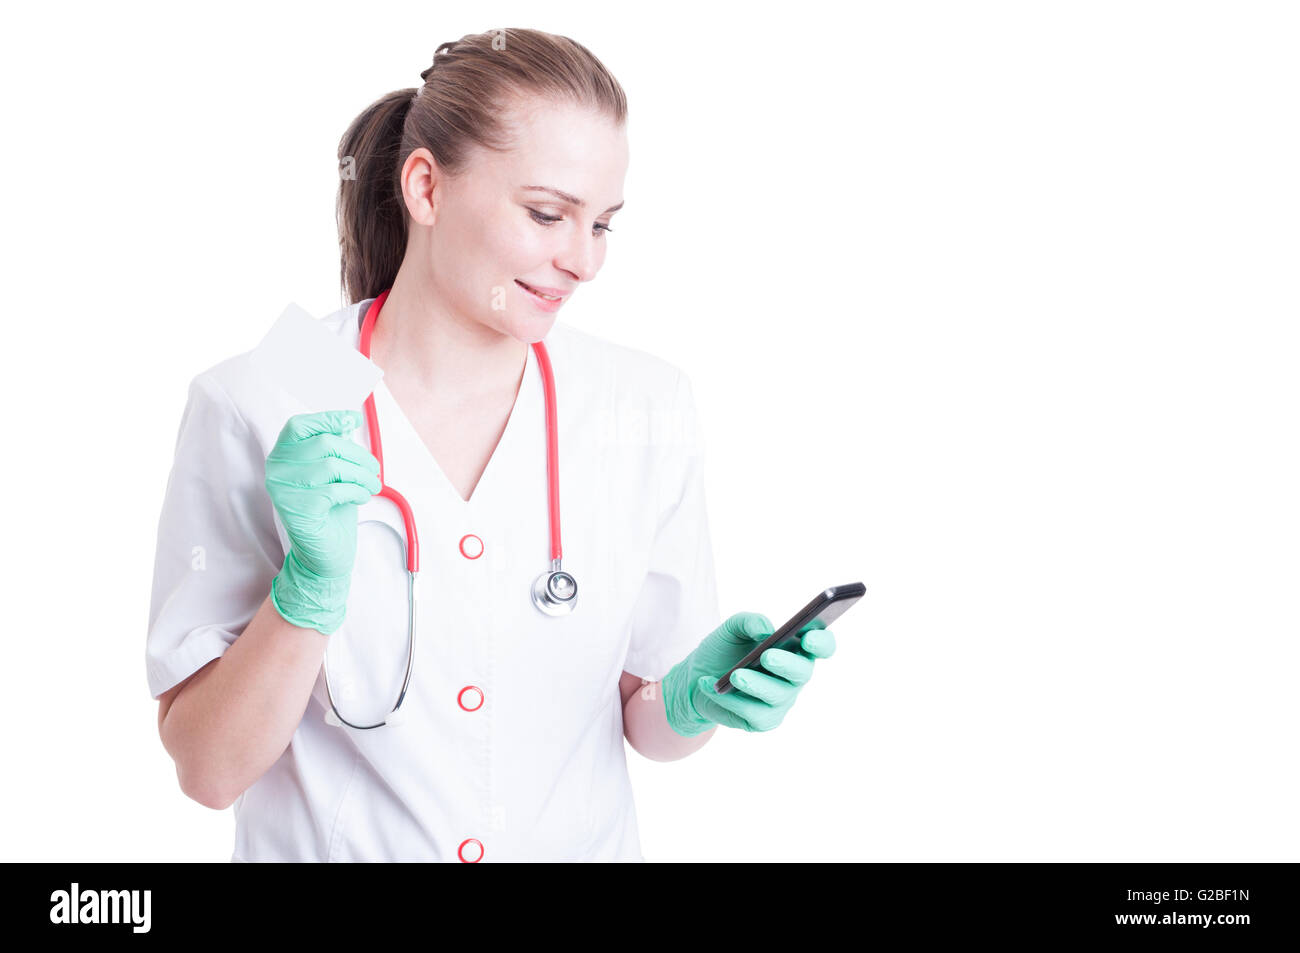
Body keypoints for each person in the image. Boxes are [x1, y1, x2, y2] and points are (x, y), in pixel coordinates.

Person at [146, 27, 836, 863]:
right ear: (426, 187)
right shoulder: (267, 393)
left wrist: (694, 700)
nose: (583, 261)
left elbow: (644, 717)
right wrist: (305, 597)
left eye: (603, 224)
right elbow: (208, 770)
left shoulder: (643, 403)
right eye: (547, 214)